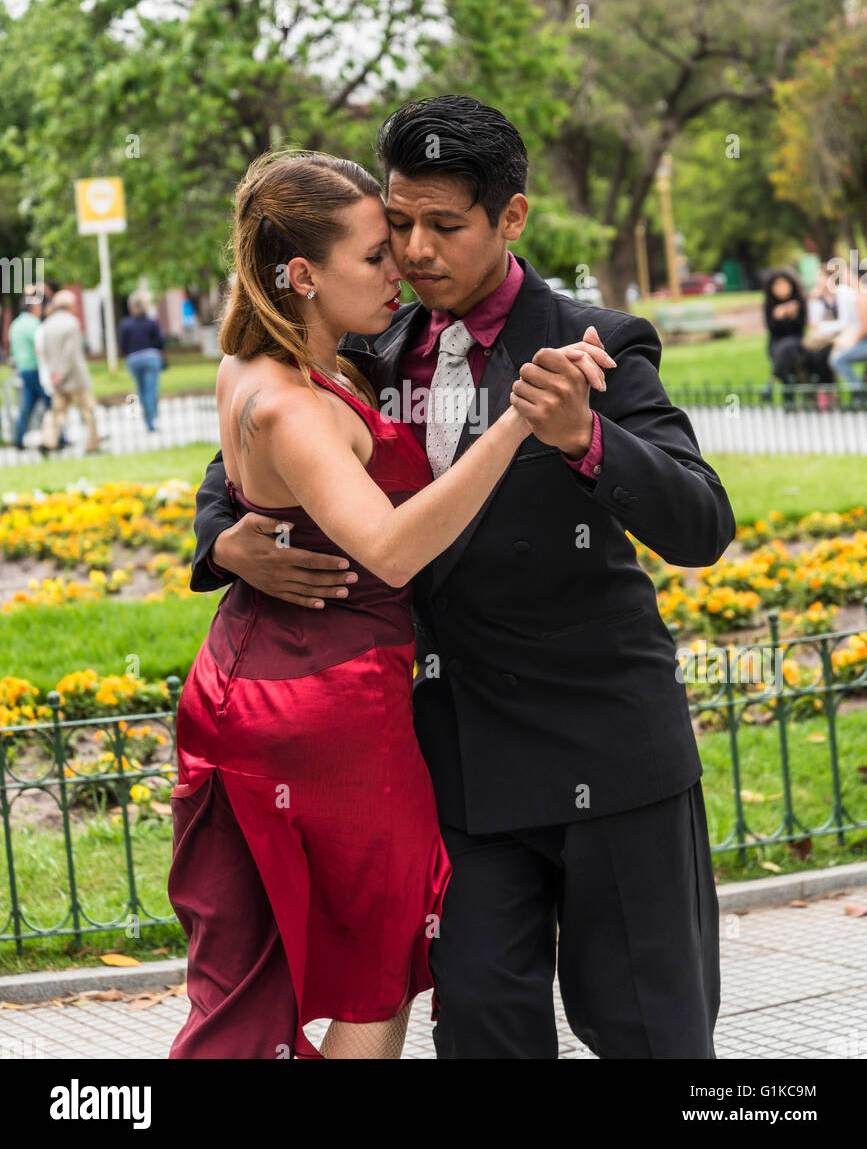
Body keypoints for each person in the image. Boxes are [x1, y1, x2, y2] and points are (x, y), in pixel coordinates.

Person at [191, 97, 736, 1060]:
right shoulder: (367, 343)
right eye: (396, 224)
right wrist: (223, 538)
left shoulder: (596, 340)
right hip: (459, 770)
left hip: (606, 753)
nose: (412, 250)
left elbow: (700, 523)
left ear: (510, 218)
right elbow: (262, 437)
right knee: (481, 1029)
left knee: (650, 1034)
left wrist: (586, 438)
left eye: (442, 226)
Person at [167, 148, 610, 1061]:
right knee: (384, 960)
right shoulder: (292, 403)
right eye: (375, 254)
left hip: (244, 681)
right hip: (329, 706)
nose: (401, 267)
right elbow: (395, 548)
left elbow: (254, 490)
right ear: (300, 274)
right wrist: (518, 421)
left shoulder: (268, 363)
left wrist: (225, 542)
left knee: (253, 974)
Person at [37, 290, 101, 455]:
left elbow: (45, 352)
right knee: (88, 411)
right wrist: (62, 373)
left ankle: (48, 441)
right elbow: (70, 352)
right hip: (74, 377)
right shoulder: (72, 323)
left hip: (56, 378)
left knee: (57, 412)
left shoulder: (47, 324)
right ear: (68, 306)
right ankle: (92, 444)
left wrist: (53, 373)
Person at [8, 287, 52, 449]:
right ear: (33, 308)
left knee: (27, 405)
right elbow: (41, 345)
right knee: (50, 402)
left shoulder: (15, 324)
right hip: (35, 368)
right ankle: (56, 438)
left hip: (23, 368)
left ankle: (18, 438)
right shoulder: (34, 324)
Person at [118, 292, 164, 432]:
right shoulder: (151, 322)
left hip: (133, 359)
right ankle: (151, 418)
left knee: (141, 389)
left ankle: (148, 417)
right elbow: (160, 342)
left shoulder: (125, 324)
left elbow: (122, 345)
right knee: (151, 389)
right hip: (150, 357)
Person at [829, 267, 867, 388]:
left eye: (847, 275)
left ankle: (858, 390)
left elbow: (865, 328)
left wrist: (851, 343)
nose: (845, 279)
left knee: (837, 360)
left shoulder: (862, 297)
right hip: (862, 341)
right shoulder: (857, 296)